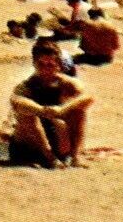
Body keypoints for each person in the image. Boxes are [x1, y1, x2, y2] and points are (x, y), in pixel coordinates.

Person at [6, 40, 95, 169]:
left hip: (57, 136)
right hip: (31, 142)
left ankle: (75, 156)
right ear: (34, 64)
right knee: (27, 115)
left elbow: (87, 98)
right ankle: (49, 158)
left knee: (78, 111)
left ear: (58, 66)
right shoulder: (27, 85)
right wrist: (41, 110)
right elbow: (17, 101)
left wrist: (62, 109)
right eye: (41, 64)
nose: (45, 69)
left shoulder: (67, 83)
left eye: (50, 65)